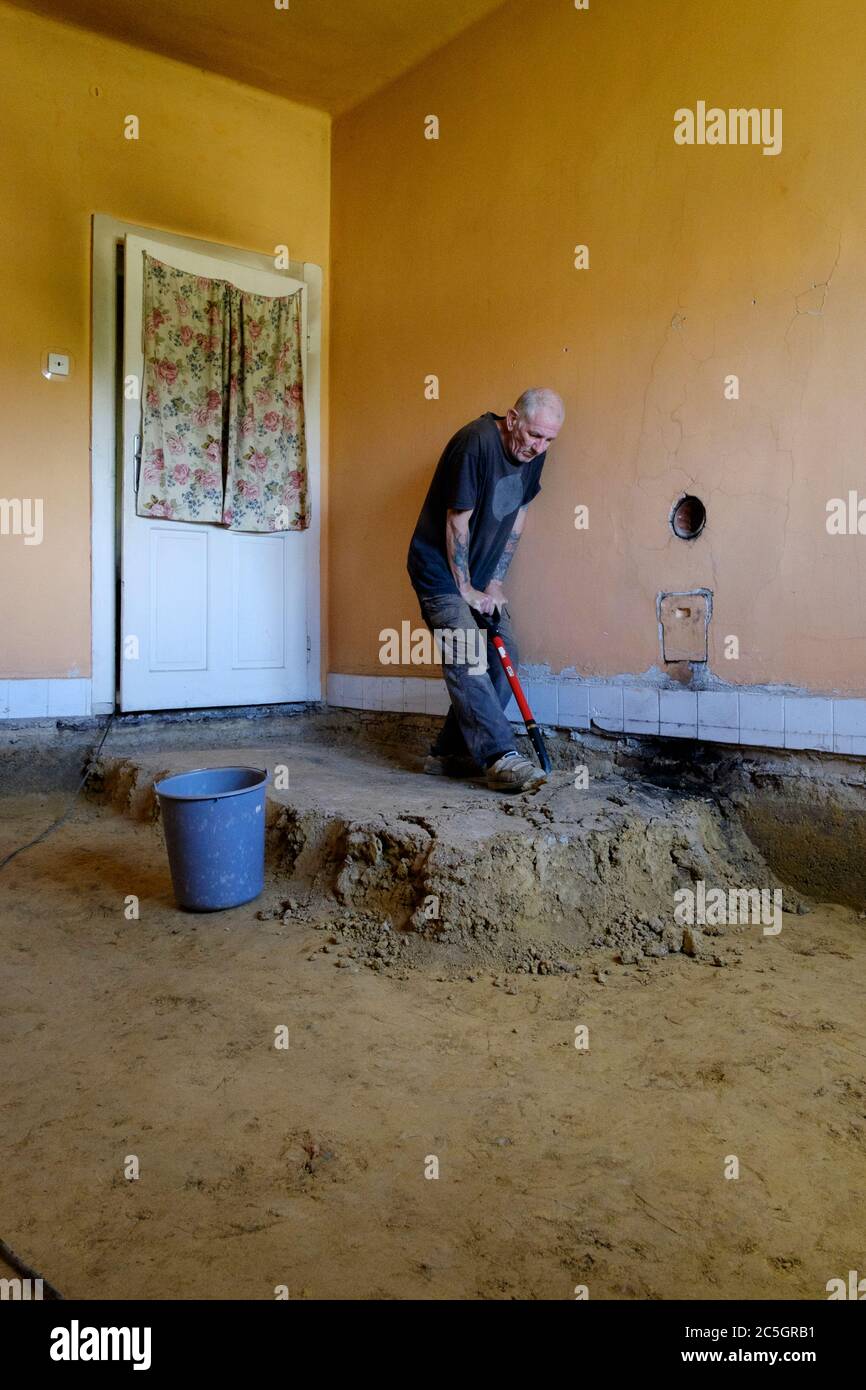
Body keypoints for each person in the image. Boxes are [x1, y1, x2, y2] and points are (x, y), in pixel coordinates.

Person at [407, 388, 565, 792]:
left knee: (504, 652)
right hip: (439, 572)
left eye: (549, 439)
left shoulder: (535, 452)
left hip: (479, 574)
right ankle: (499, 758)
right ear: (512, 419)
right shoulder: (474, 443)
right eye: (534, 435)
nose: (539, 446)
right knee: (466, 650)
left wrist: (494, 581)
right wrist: (465, 588)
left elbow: (518, 515)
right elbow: (457, 521)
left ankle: (449, 755)